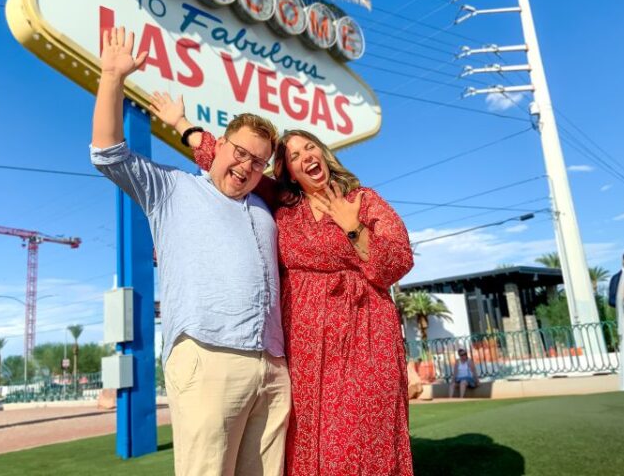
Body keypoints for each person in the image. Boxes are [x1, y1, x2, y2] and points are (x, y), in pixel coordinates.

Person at [148, 93, 415, 476]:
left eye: (310, 147)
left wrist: (353, 227)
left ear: (323, 154)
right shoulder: (282, 202)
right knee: (304, 440)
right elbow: (225, 160)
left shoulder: (363, 200)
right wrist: (180, 123)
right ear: (287, 171)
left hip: (364, 340)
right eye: (293, 154)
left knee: (356, 440)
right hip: (304, 348)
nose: (306, 156)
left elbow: (397, 262)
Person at [90, 28, 290, 476]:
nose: (246, 166)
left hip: (273, 368)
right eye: (240, 152)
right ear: (220, 146)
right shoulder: (173, 189)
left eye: (258, 162)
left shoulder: (263, 207)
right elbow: (107, 154)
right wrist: (111, 76)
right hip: (209, 357)